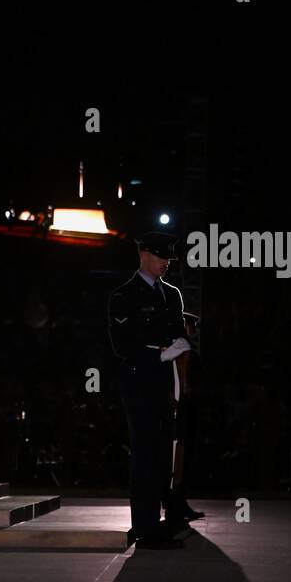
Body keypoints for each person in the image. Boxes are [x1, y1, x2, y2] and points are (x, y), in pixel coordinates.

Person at [108, 231, 190, 549]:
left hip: (163, 380)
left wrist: (177, 347)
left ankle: (157, 522)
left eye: (168, 257)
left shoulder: (171, 294)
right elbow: (122, 345)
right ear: (143, 254)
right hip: (138, 380)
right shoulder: (124, 296)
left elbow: (174, 331)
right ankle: (144, 526)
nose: (165, 262)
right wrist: (157, 353)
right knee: (144, 453)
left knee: (161, 455)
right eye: (159, 256)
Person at [163, 311, 206, 524]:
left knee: (185, 458)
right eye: (190, 325)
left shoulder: (186, 350)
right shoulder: (177, 351)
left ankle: (179, 502)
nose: (194, 330)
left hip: (188, 410)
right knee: (178, 459)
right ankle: (174, 504)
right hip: (181, 411)